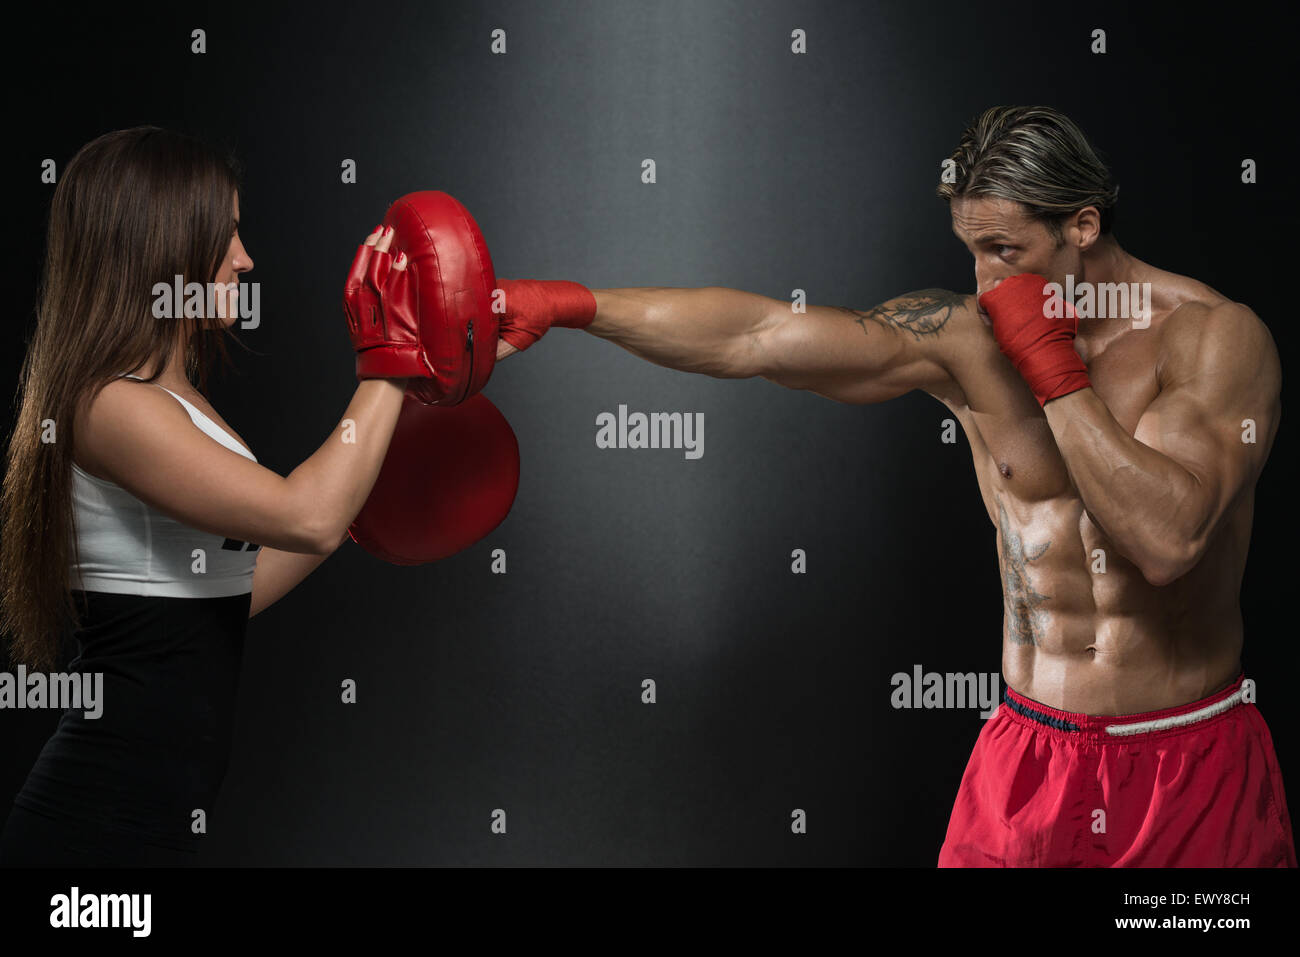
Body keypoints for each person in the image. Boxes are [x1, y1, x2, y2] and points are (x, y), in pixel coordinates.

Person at [491, 105, 1296, 866]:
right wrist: (572, 306)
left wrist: (1054, 373)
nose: (983, 283)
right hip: (1028, 760)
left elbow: (1167, 541)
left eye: (1006, 250)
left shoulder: (1215, 340)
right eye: (970, 250)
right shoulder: (965, 339)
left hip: (1187, 762)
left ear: (1082, 224)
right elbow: (760, 336)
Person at [0, 126, 409, 866]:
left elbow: (225, 589)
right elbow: (305, 514)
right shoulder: (109, 406)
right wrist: (394, 360)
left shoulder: (173, 395)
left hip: (149, 821)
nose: (246, 258)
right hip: (93, 830)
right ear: (163, 244)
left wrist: (359, 511)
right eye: (226, 234)